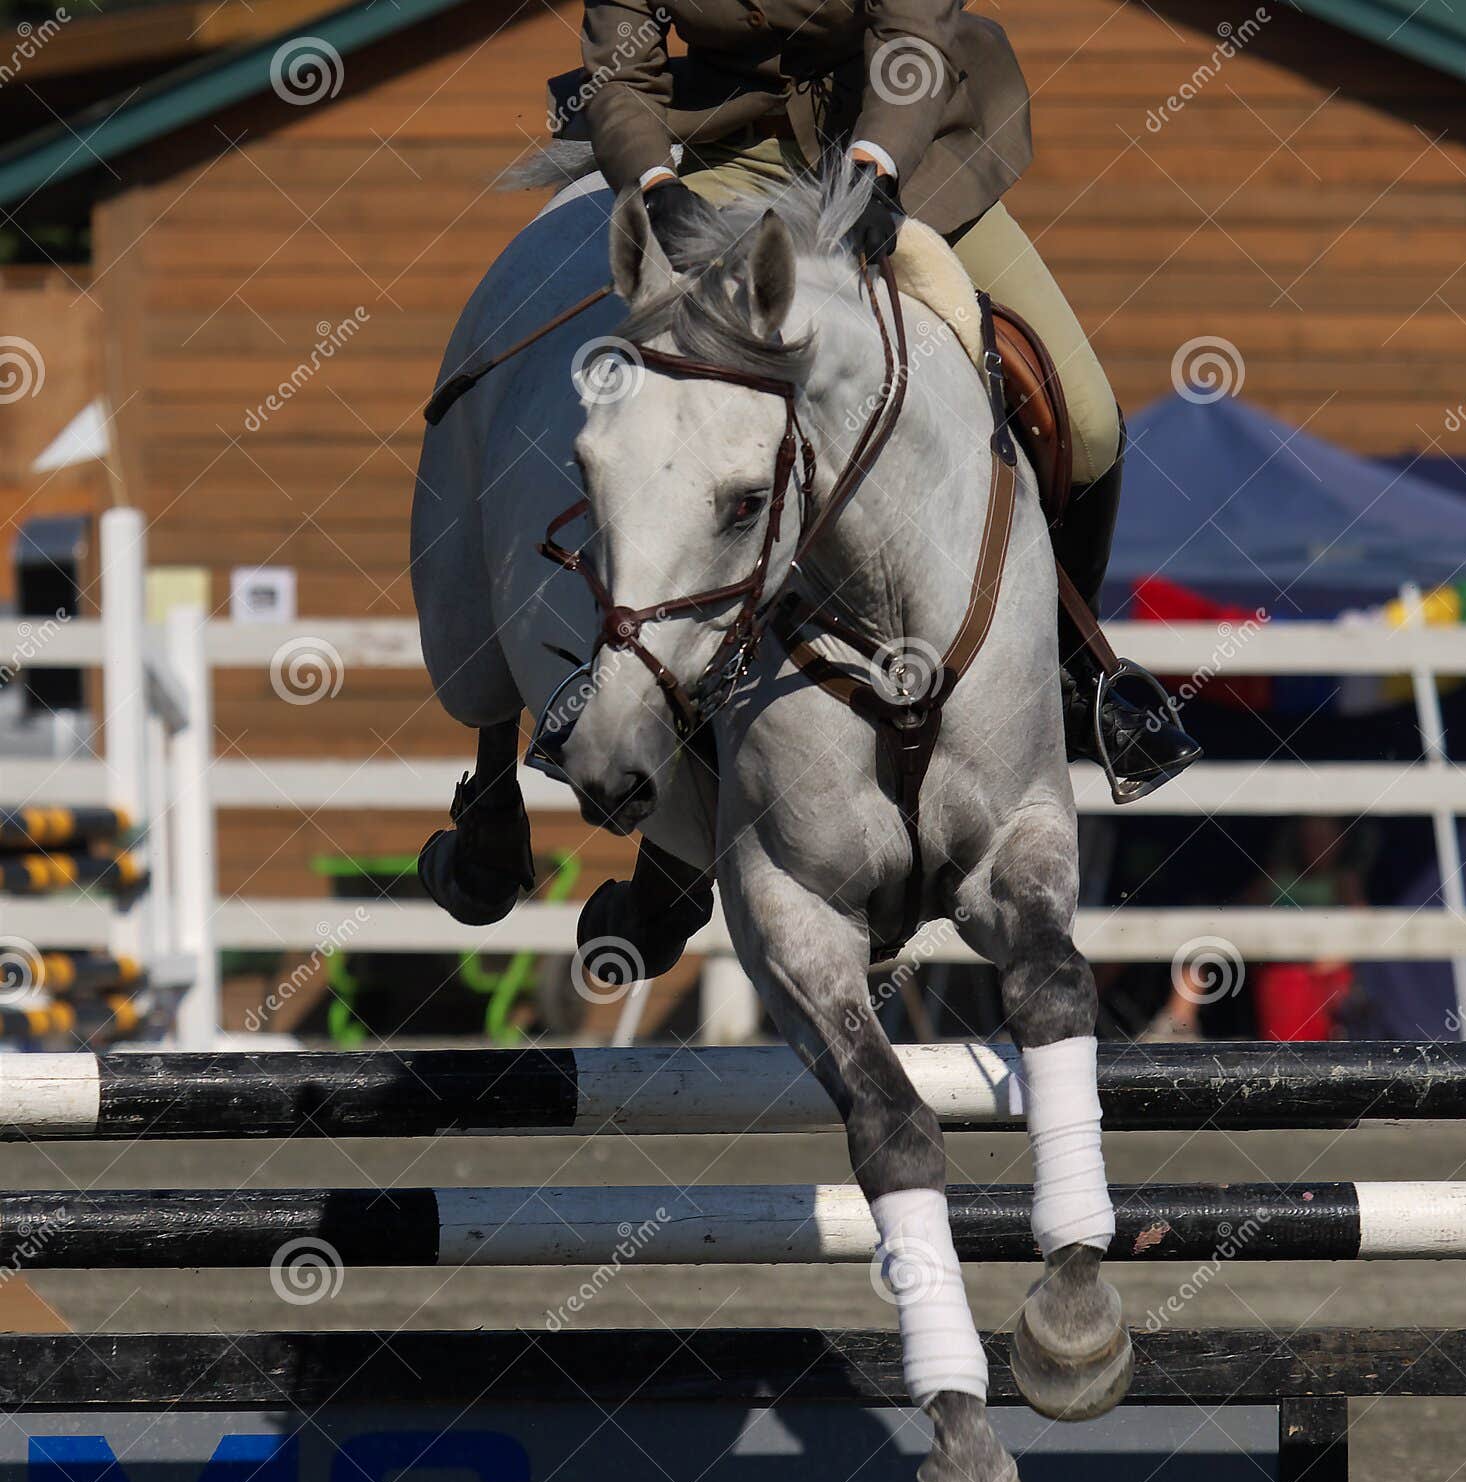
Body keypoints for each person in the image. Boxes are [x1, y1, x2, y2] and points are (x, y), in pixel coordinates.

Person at [420, 0, 1199, 948]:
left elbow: (909, 37)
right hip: (720, 158)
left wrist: (875, 166)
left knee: (1083, 417)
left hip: (905, 139)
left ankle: (1076, 679)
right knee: (677, 435)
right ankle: (566, 726)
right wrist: (656, 184)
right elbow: (620, 73)